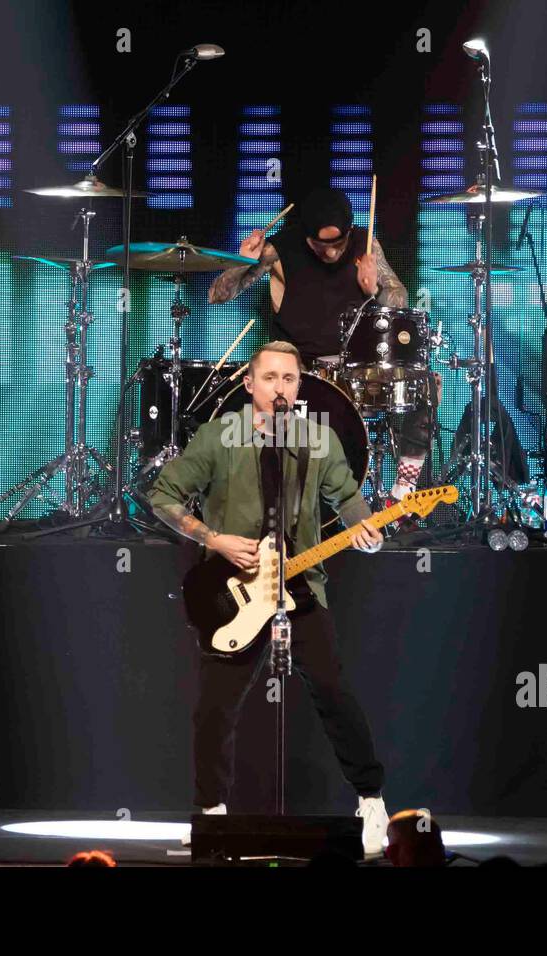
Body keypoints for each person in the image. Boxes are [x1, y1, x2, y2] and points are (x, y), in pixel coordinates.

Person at [148, 340, 390, 857]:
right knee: (215, 708)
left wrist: (363, 525)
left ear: (299, 386)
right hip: (236, 596)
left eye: (290, 378)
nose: (281, 386)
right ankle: (211, 814)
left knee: (334, 693)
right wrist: (211, 538)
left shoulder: (317, 440)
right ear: (249, 384)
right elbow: (163, 496)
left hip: (300, 586)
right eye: (271, 377)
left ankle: (371, 802)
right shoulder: (218, 438)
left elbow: (346, 498)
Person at [209, 186, 440, 523]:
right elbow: (219, 295)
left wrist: (374, 287)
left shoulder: (365, 242)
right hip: (296, 362)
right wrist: (242, 261)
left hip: (352, 363)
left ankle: (401, 498)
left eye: (338, 245)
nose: (332, 254)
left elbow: (399, 299)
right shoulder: (281, 248)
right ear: (306, 237)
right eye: (322, 246)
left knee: (426, 385)